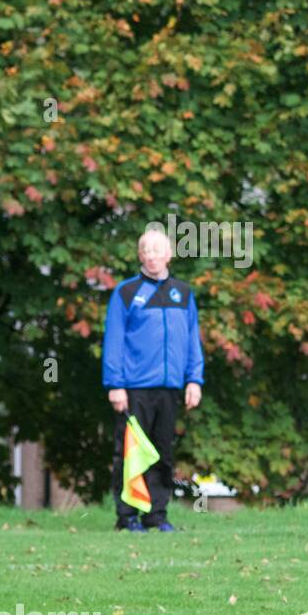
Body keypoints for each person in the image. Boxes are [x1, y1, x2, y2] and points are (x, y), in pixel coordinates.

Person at [102, 228, 204, 532]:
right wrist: (115, 384)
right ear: (139, 255)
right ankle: (127, 516)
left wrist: (194, 380)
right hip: (133, 388)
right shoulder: (126, 292)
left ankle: (157, 515)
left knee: (162, 452)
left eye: (158, 250)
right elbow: (114, 340)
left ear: (169, 254)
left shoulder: (183, 294)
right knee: (131, 454)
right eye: (146, 250)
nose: (152, 255)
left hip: (170, 387)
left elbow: (191, 340)